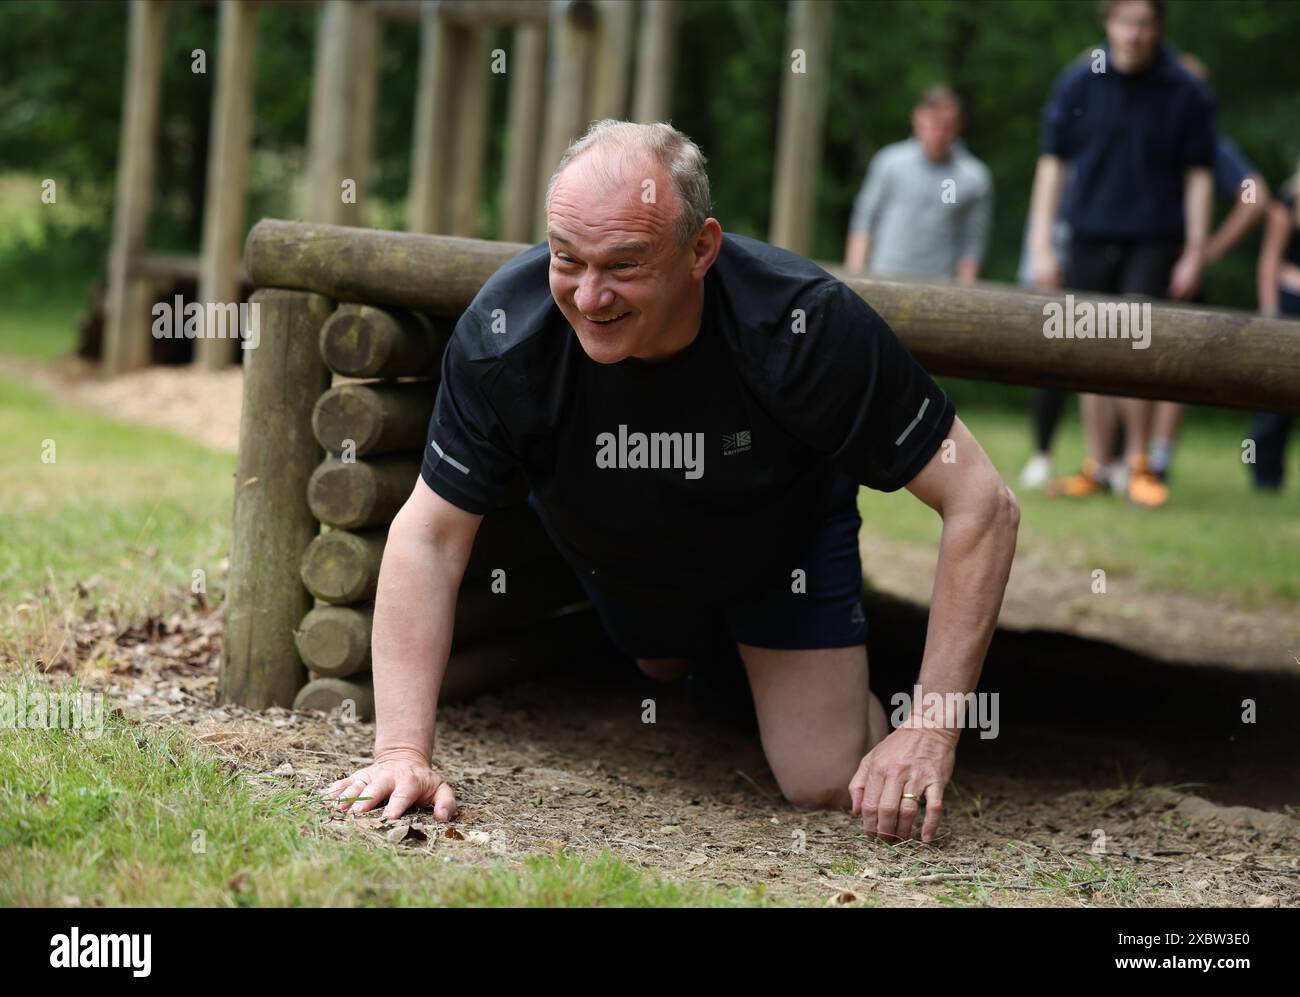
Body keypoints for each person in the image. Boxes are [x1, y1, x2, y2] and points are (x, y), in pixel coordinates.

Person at [324, 120, 1020, 844]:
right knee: (661, 665)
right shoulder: (505, 338)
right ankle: (724, 670)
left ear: (702, 250)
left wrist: (929, 729)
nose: (590, 297)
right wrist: (402, 751)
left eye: (624, 265)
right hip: (621, 548)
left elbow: (983, 505)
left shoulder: (804, 327)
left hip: (778, 550)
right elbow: (429, 536)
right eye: (567, 259)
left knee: (820, 776)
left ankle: (826, 691)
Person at [1019, 47, 1267, 491]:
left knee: (1157, 358)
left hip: (1166, 259)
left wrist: (1204, 250)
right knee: (1101, 346)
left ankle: (1152, 458)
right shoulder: (1116, 117)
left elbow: (1254, 194)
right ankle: (1111, 462)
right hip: (1118, 251)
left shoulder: (1198, 137)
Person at [1028, 0, 1216, 507]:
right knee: (1090, 349)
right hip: (1088, 234)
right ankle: (1098, 466)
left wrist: (1195, 251)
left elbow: (1200, 176)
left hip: (1155, 238)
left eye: (1143, 23)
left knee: (1136, 346)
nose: (1133, 33)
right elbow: (1052, 164)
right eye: (1124, 22)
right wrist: (1042, 244)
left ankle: (1139, 464)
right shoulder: (1078, 80)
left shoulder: (1185, 89)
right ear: (1108, 22)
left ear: (1158, 27)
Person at [843, 85, 993, 283]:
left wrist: (966, 292)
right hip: (882, 278)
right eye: (932, 125)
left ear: (959, 125)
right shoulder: (889, 162)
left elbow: (973, 241)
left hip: (941, 287)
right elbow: (865, 218)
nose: (938, 135)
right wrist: (853, 278)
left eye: (946, 127)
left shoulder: (975, 178)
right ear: (917, 120)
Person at [1248, 161, 1300, 490]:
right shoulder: (1288, 200)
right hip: (1290, 300)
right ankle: (1264, 470)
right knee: (1278, 398)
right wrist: (1268, 311)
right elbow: (1270, 258)